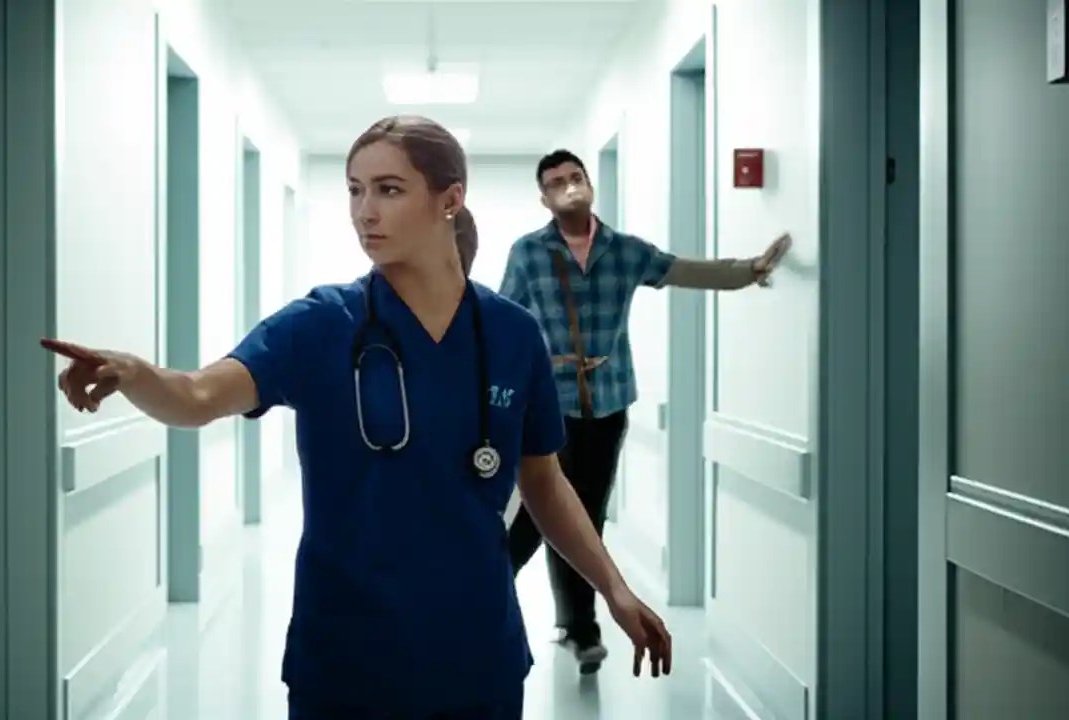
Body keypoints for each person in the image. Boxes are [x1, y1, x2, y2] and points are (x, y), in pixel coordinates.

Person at [42, 118, 672, 720]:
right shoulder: (320, 325)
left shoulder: (512, 334)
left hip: (477, 653)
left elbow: (544, 482)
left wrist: (614, 589)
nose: (365, 211)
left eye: (388, 190)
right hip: (347, 659)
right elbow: (198, 396)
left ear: (450, 199)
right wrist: (138, 374)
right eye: (354, 190)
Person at [501, 149, 791, 674]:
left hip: (609, 403)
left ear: (589, 184)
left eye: (575, 177)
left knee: (586, 518)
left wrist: (750, 270)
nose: (569, 186)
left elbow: (686, 270)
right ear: (544, 199)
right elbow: (504, 317)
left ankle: (579, 629)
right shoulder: (528, 253)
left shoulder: (626, 252)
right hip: (549, 405)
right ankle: (483, 599)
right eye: (557, 182)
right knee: (537, 515)